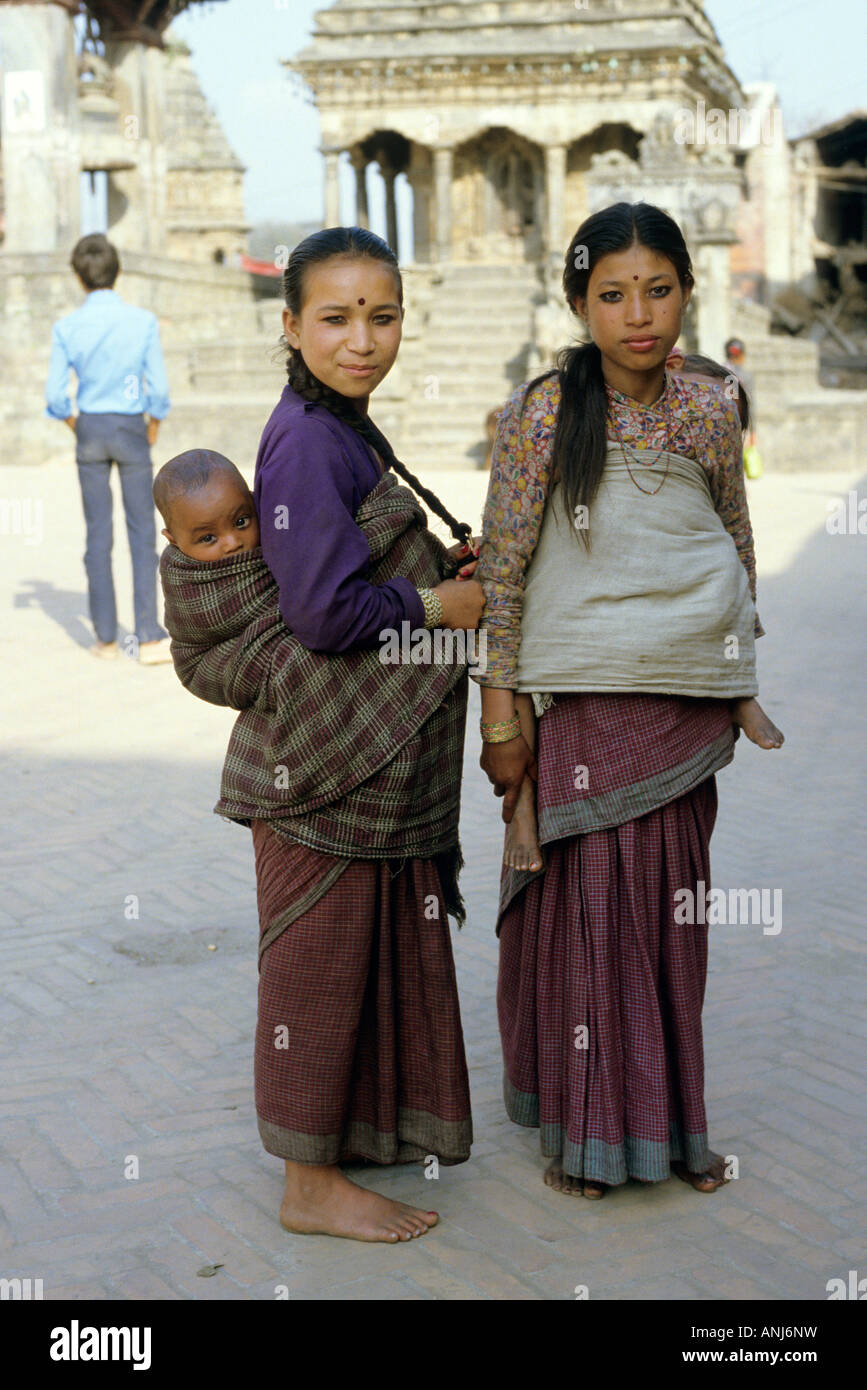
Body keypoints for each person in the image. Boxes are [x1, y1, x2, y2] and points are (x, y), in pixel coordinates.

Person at [168, 228, 484, 1244]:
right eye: (336, 318)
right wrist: (441, 605)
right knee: (319, 966)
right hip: (323, 775)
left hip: (353, 771)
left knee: (364, 956)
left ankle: (350, 1139)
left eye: (381, 316)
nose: (362, 339)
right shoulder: (306, 438)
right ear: (292, 325)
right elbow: (322, 616)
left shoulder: (341, 422)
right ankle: (308, 1186)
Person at [475, 201, 785, 1200]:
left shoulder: (710, 405)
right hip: (585, 717)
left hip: (683, 710)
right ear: (578, 302)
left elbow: (729, 545)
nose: (637, 314)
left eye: (658, 290)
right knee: (592, 928)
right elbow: (509, 575)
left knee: (669, 929)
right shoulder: (539, 415)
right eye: (612, 294)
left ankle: (673, 1131)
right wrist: (502, 716)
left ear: (689, 294)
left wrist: (736, 675)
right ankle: (592, 1136)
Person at [502, 347, 778, 874]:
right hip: (573, 616)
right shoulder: (561, 411)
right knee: (524, 663)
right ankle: (522, 811)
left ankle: (739, 691)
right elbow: (514, 542)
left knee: (723, 580)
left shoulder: (705, 428)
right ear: (672, 368)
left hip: (684, 605)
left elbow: (731, 536)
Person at [45, 233, 172, 663]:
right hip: (132, 427)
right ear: (117, 271)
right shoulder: (142, 322)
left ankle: (104, 638)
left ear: (79, 278)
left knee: (97, 535)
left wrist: (77, 425)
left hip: (91, 429)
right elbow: (159, 389)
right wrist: (151, 425)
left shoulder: (66, 327)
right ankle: (150, 637)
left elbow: (57, 397)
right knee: (142, 533)